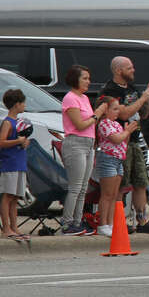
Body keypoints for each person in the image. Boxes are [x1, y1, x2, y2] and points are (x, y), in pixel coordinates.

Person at [101, 57, 149, 233]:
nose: (133, 70)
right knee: (121, 185)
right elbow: (124, 114)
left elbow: (143, 114)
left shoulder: (132, 89)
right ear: (119, 71)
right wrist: (143, 98)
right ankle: (117, 221)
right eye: (129, 68)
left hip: (135, 140)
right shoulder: (110, 90)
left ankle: (142, 221)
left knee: (141, 181)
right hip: (119, 143)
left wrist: (147, 100)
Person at [59, 65, 106, 236]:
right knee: (75, 186)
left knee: (84, 187)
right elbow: (79, 124)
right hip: (75, 143)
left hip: (88, 144)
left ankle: (77, 222)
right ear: (75, 79)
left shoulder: (84, 98)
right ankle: (67, 223)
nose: (88, 81)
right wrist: (97, 114)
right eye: (84, 78)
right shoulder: (70, 98)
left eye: (88, 78)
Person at [94, 95, 136, 238]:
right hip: (107, 159)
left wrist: (126, 132)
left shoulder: (117, 124)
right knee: (106, 194)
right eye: (115, 109)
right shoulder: (104, 124)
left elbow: (124, 141)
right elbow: (116, 139)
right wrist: (127, 131)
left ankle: (110, 223)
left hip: (118, 160)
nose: (118, 111)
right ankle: (103, 224)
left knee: (114, 195)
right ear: (105, 110)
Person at [0, 89, 31, 241]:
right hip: (10, 163)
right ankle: (6, 228)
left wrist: (24, 143)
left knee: (16, 196)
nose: (24, 105)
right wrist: (18, 141)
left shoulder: (18, 122)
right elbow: (2, 142)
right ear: (16, 104)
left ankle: (14, 227)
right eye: (23, 103)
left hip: (19, 162)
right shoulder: (7, 122)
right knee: (7, 196)